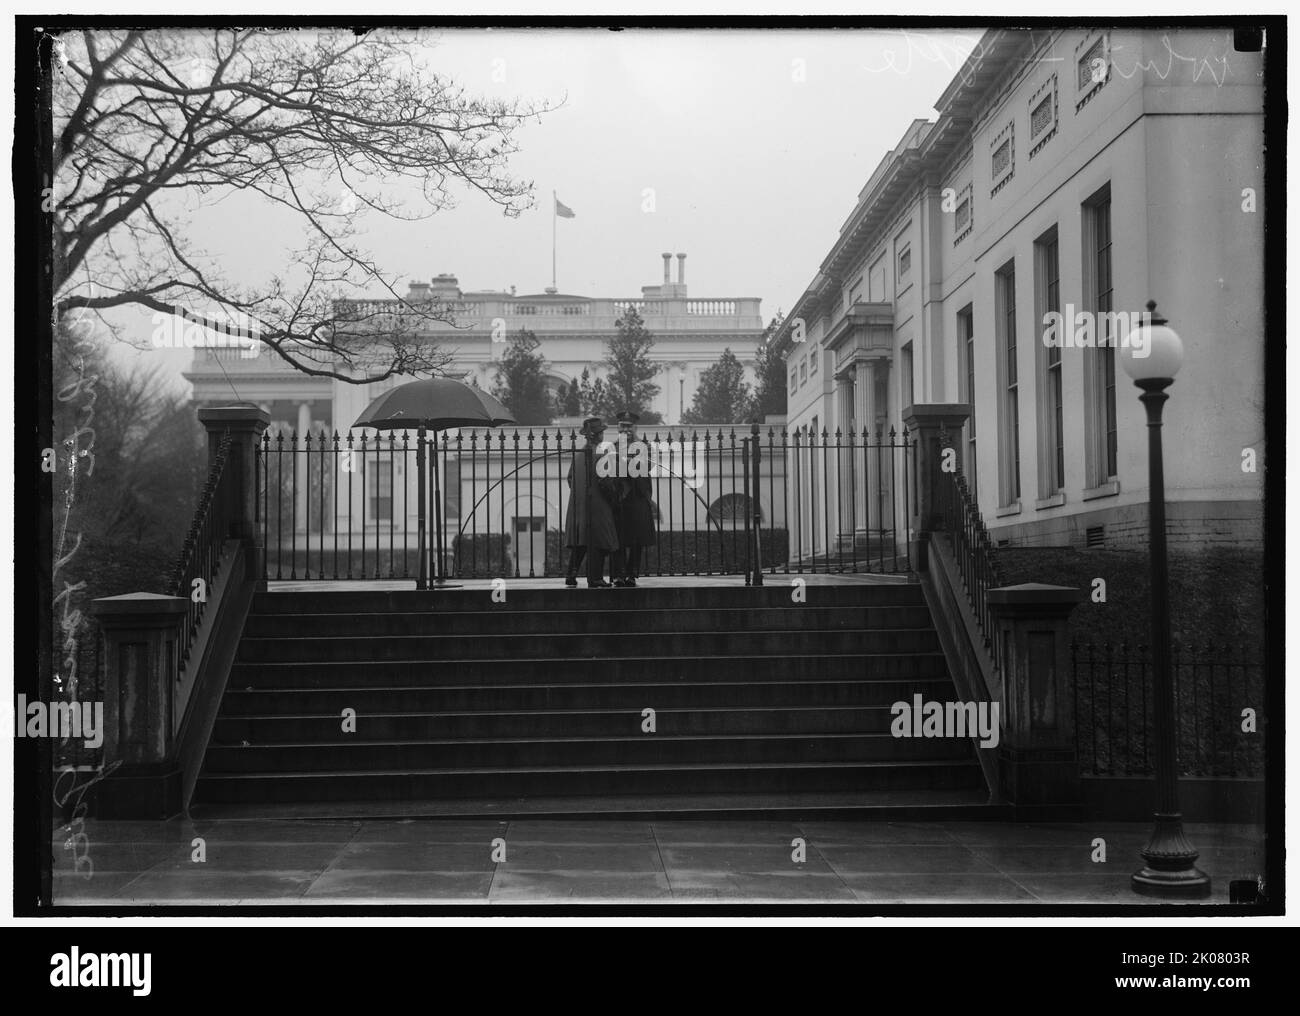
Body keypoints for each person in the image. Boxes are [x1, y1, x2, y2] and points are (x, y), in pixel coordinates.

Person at [562, 417, 621, 588]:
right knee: (599, 542)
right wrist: (614, 499)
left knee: (580, 542)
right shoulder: (600, 453)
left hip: (578, 505)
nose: (603, 435)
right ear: (597, 435)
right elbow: (605, 482)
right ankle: (595, 578)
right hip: (597, 505)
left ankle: (571, 575)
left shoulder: (579, 454)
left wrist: (579, 493)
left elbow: (570, 477)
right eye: (601, 432)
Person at [611, 411, 656, 587]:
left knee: (637, 540)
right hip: (619, 498)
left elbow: (649, 466)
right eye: (623, 425)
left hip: (638, 497)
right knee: (618, 540)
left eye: (629, 426)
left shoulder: (644, 446)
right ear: (618, 427)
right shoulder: (613, 446)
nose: (626, 429)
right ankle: (618, 575)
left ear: (635, 427)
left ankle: (632, 574)